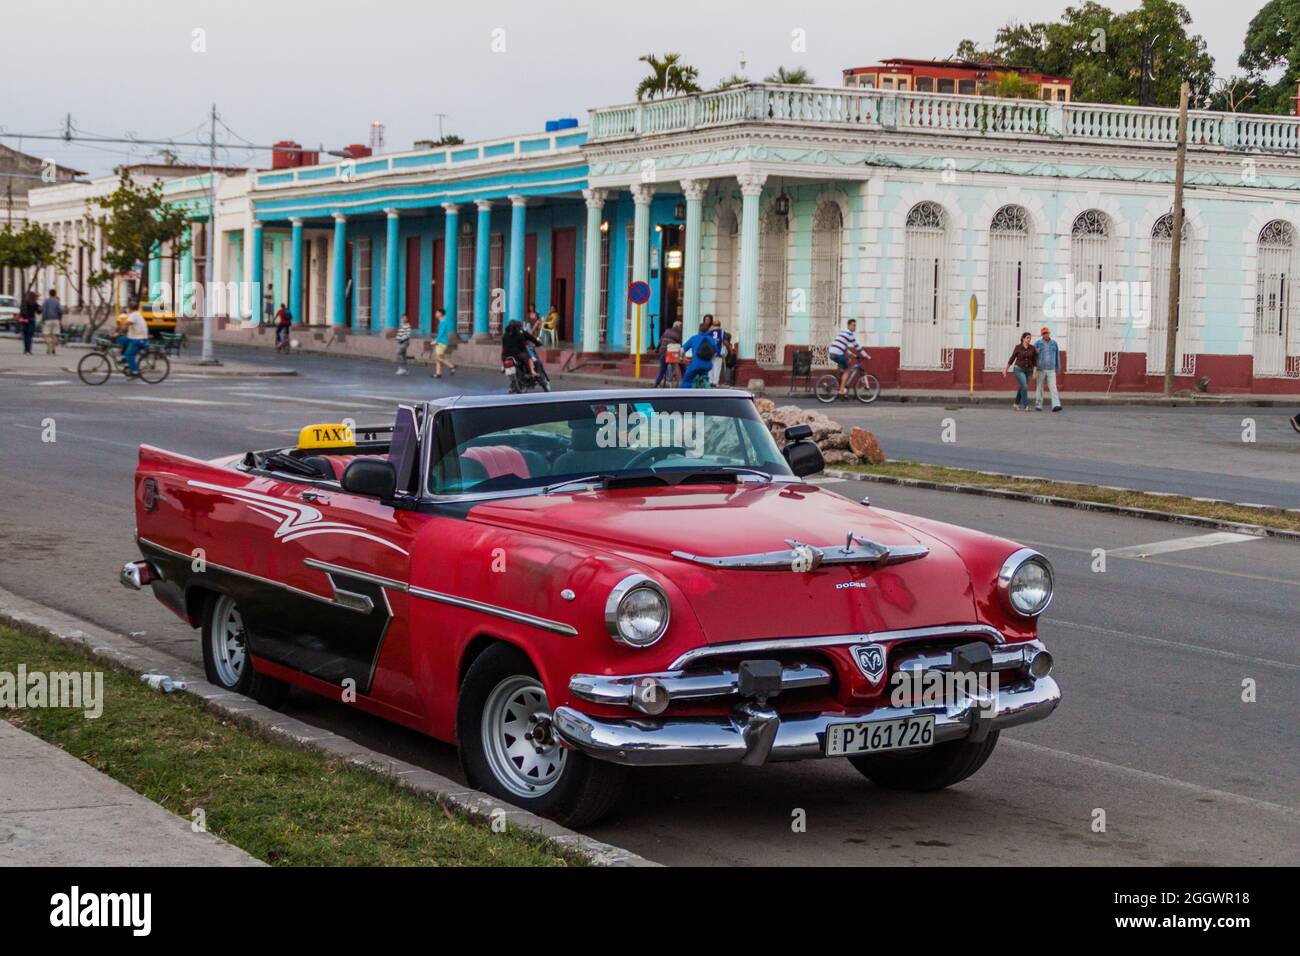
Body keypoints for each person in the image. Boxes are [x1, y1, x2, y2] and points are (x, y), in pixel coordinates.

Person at [828, 318, 866, 396]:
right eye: (853, 325)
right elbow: (857, 346)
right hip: (837, 354)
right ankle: (842, 390)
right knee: (847, 369)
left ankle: (842, 388)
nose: (854, 327)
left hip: (832, 353)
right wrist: (866, 355)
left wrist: (854, 356)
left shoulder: (843, 333)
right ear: (848, 325)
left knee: (845, 364)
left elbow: (845, 348)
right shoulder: (849, 334)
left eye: (855, 325)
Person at [1004, 332, 1037, 411]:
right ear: (1023, 338)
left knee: (1022, 386)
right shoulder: (1018, 347)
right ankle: (1026, 406)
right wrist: (1005, 370)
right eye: (1027, 338)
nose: (1029, 339)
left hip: (1029, 371)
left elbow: (1035, 361)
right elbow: (1012, 358)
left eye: (1030, 338)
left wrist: (1034, 373)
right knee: (1024, 386)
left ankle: (1016, 404)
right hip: (1018, 369)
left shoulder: (1032, 348)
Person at [116, 300, 149, 378]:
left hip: (139, 339)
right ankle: (124, 358)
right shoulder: (134, 314)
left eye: (128, 308)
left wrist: (118, 332)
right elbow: (124, 323)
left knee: (129, 354)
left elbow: (126, 324)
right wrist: (117, 332)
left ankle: (135, 371)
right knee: (121, 340)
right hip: (133, 336)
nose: (127, 309)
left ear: (130, 308)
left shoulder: (134, 315)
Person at [1033, 326, 1062, 412]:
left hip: (1051, 369)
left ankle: (1056, 405)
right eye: (1043, 333)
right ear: (1042, 334)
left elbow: (1057, 355)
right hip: (1040, 369)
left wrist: (1058, 367)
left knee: (1053, 387)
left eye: (1046, 333)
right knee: (1039, 387)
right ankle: (1038, 405)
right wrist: (1035, 352)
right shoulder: (1037, 343)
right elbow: (1033, 356)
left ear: (1049, 333)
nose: (1045, 334)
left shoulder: (1054, 343)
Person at [680, 322, 716, 388]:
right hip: (708, 366)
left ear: (699, 329)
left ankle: (685, 395)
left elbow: (682, 350)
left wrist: (682, 358)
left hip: (695, 365)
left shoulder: (694, 338)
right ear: (708, 330)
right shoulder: (711, 339)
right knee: (705, 377)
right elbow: (715, 351)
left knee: (686, 380)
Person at [654, 320, 683, 387]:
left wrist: (657, 349)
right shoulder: (679, 334)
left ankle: (656, 384)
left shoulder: (667, 331)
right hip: (672, 352)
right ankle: (678, 383)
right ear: (678, 326)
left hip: (663, 351)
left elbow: (660, 340)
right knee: (675, 367)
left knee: (662, 369)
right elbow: (680, 345)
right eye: (681, 326)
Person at [432, 307, 458, 378]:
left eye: (437, 313)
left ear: (440, 314)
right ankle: (438, 373)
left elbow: (441, 333)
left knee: (438, 357)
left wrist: (435, 341)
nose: (436, 314)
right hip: (441, 342)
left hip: (442, 343)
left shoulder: (443, 322)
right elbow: (440, 334)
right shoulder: (442, 322)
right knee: (438, 358)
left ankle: (452, 366)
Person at [41, 289, 64, 355]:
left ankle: (48, 346)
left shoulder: (46, 301)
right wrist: (59, 319)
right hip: (56, 320)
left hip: (47, 319)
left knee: (45, 334)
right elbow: (60, 311)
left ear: (49, 293)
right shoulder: (57, 301)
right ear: (55, 294)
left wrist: (43, 319)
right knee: (54, 335)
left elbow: (44, 311)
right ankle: (53, 348)